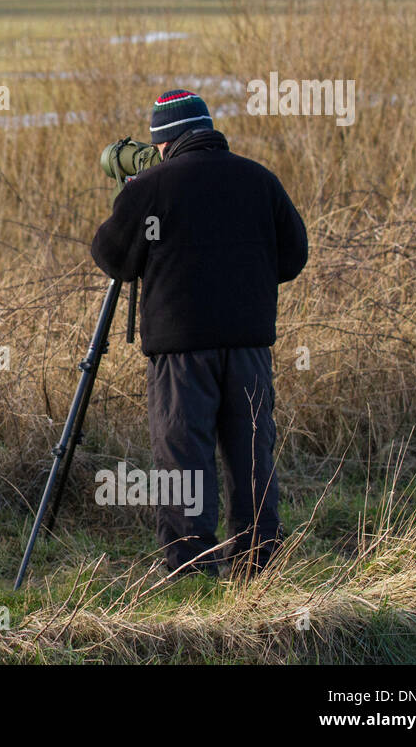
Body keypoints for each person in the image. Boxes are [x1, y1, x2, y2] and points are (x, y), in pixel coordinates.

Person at [90, 89, 308, 576]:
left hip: (181, 348)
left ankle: (191, 568)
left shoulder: (152, 187)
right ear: (209, 130)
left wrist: (131, 191)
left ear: (163, 142)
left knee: (183, 453)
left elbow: (112, 256)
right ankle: (258, 562)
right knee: (251, 448)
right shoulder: (259, 179)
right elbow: (294, 257)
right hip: (250, 345)